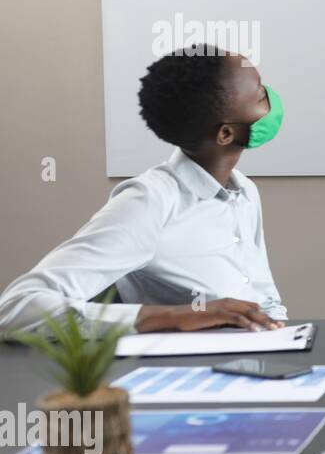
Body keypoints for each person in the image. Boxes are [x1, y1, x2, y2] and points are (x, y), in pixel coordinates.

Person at [0, 48, 288, 335]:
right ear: (225, 134)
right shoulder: (150, 201)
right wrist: (172, 317)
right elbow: (16, 308)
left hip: (258, 361)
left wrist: (282, 335)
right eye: (261, 95)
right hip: (189, 374)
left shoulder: (244, 191)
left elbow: (265, 298)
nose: (272, 99)